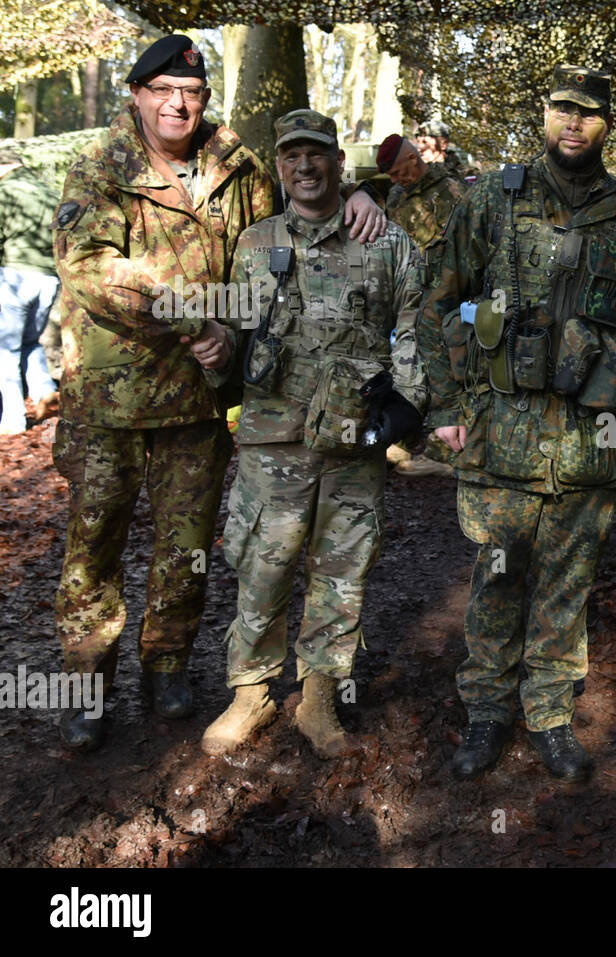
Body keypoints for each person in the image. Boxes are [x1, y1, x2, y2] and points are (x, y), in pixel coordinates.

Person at [50, 34, 387, 752]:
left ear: (205, 99)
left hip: (199, 402)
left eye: (192, 92)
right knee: (93, 551)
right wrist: (190, 316)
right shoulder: (101, 168)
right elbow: (88, 266)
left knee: (187, 548)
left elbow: (297, 210)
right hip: (109, 401)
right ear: (137, 95)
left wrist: (354, 194)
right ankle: (85, 685)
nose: (179, 103)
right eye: (164, 90)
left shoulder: (238, 167)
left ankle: (167, 665)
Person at [420, 64, 616, 782]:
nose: (573, 123)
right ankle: (487, 713)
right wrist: (444, 407)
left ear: (606, 125)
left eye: (588, 113)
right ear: (545, 114)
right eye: (562, 108)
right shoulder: (492, 202)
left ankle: (551, 716)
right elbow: (441, 303)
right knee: (497, 578)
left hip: (589, 444)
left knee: (568, 584)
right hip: (502, 432)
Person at [201, 110, 427, 759]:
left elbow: (414, 324)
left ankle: (322, 693)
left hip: (353, 438)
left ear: (337, 162)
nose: (305, 167)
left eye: (317, 155)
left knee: (342, 568)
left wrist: (408, 402)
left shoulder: (385, 243)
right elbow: (237, 332)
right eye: (292, 155)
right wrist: (219, 353)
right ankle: (251, 691)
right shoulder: (253, 243)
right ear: (278, 166)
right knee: (262, 564)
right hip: (273, 437)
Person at [375, 133, 465, 478]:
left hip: (445, 294)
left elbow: (467, 246)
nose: (397, 181)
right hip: (407, 292)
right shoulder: (397, 196)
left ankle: (445, 451)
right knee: (404, 365)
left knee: (444, 369)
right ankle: (404, 437)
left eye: (400, 173)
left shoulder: (451, 192)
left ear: (414, 159)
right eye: (392, 177)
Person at [0, 148, 60, 432]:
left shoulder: (6, 191)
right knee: (30, 342)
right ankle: (44, 393)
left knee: (5, 349)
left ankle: (11, 419)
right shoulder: (48, 193)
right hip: (49, 278)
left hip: (14, 276)